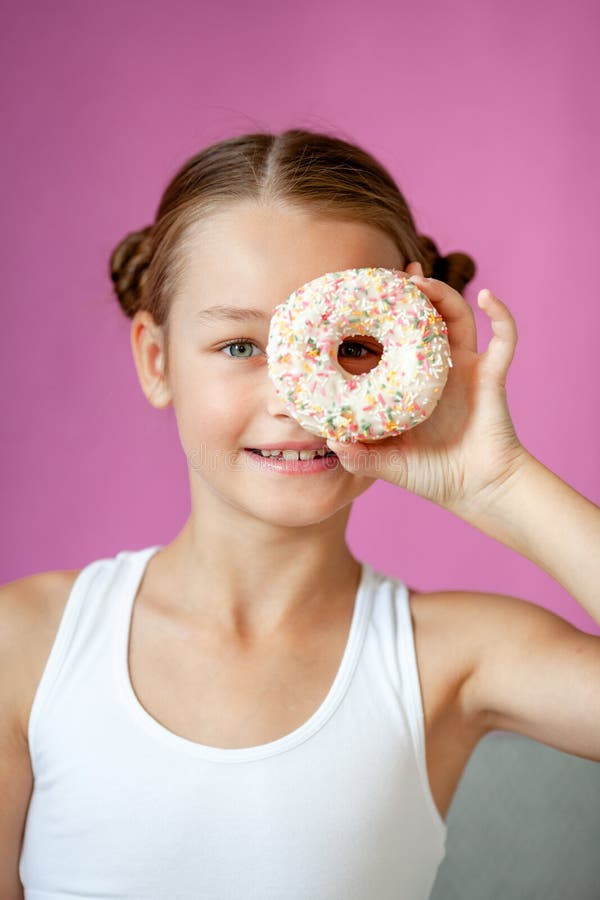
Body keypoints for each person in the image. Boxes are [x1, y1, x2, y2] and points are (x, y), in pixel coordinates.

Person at [1, 128, 599, 900]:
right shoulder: (26, 648)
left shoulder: (452, 659)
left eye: (351, 347)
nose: (296, 398)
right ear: (157, 360)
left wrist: (498, 483)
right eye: (243, 347)